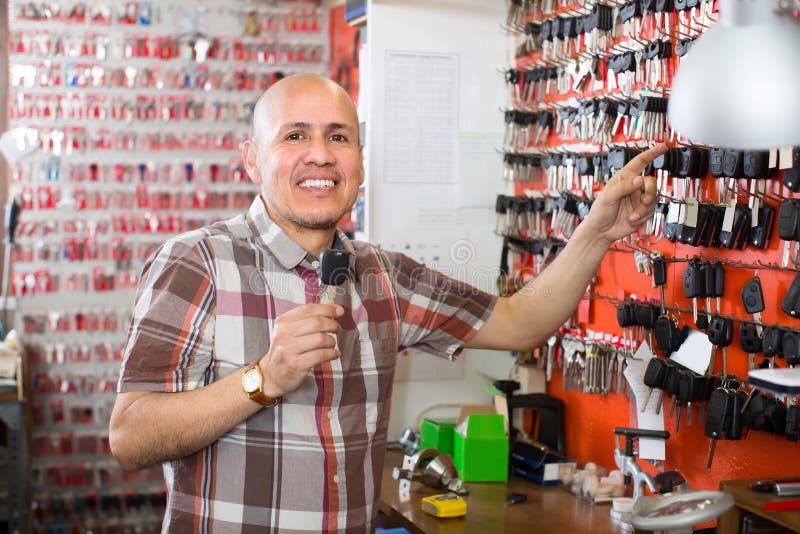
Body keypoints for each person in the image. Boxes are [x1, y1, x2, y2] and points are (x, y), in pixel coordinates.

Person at [109, 73, 668, 532]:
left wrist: (598, 231)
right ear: (253, 160)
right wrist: (263, 380)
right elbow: (130, 437)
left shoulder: (385, 277)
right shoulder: (196, 263)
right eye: (295, 136)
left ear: (359, 161)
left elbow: (522, 322)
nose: (320, 156)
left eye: (338, 137)